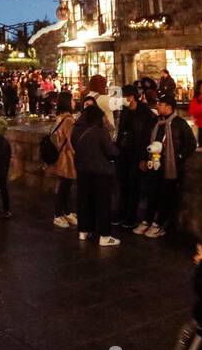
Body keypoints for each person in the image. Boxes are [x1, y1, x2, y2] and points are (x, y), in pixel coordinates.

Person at [139, 93, 196, 238]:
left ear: (169, 107)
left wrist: (178, 156)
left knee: (166, 195)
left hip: (171, 167)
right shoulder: (156, 123)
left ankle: (158, 224)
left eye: (160, 104)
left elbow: (191, 144)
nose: (157, 106)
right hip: (155, 165)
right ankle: (147, 220)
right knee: (152, 193)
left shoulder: (179, 123)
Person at [72, 102, 120, 245]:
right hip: (100, 172)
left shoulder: (76, 129)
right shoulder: (99, 130)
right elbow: (111, 151)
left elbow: (74, 145)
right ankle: (104, 236)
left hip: (82, 170)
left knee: (84, 201)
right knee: (102, 203)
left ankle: (84, 231)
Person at [115, 84, 153, 228]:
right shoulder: (124, 112)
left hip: (137, 153)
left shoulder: (144, 112)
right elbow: (120, 132)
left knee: (134, 185)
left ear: (132, 97)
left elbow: (146, 136)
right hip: (124, 153)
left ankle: (131, 217)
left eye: (126, 96)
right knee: (123, 185)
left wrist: (144, 157)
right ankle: (122, 213)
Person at [47, 91, 78, 228]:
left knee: (64, 185)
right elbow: (71, 141)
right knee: (65, 186)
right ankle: (58, 214)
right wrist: (77, 154)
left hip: (61, 156)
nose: (74, 102)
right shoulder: (69, 120)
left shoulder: (60, 117)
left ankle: (67, 211)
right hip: (67, 157)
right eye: (72, 100)